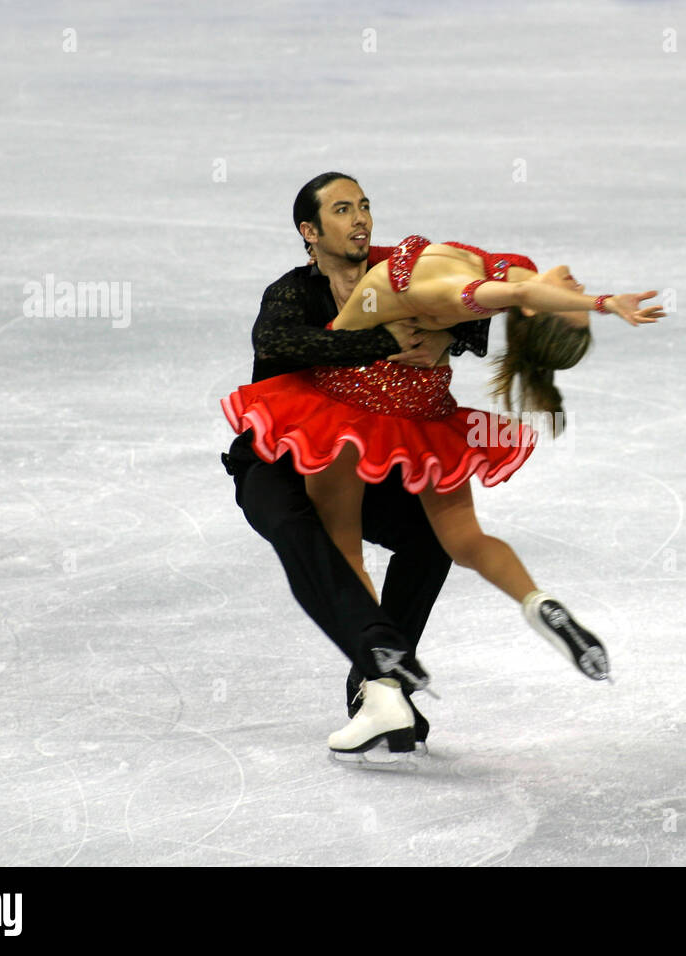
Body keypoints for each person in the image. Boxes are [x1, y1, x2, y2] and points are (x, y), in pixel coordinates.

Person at [223, 233, 663, 754]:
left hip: (353, 406)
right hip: (425, 407)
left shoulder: (467, 291)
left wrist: (604, 304)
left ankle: (382, 688)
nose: (578, 289)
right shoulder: (511, 276)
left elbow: (513, 296)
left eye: (571, 303)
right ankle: (535, 601)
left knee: (345, 549)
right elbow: (517, 296)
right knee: (463, 538)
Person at [222, 172, 480, 753]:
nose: (360, 218)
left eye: (364, 206)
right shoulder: (292, 293)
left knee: (430, 537)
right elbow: (280, 343)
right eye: (342, 210)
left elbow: (474, 298)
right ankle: (380, 658)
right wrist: (384, 341)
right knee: (299, 534)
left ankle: (376, 686)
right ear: (309, 232)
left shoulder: (392, 276)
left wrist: (447, 338)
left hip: (353, 468)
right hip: (274, 463)